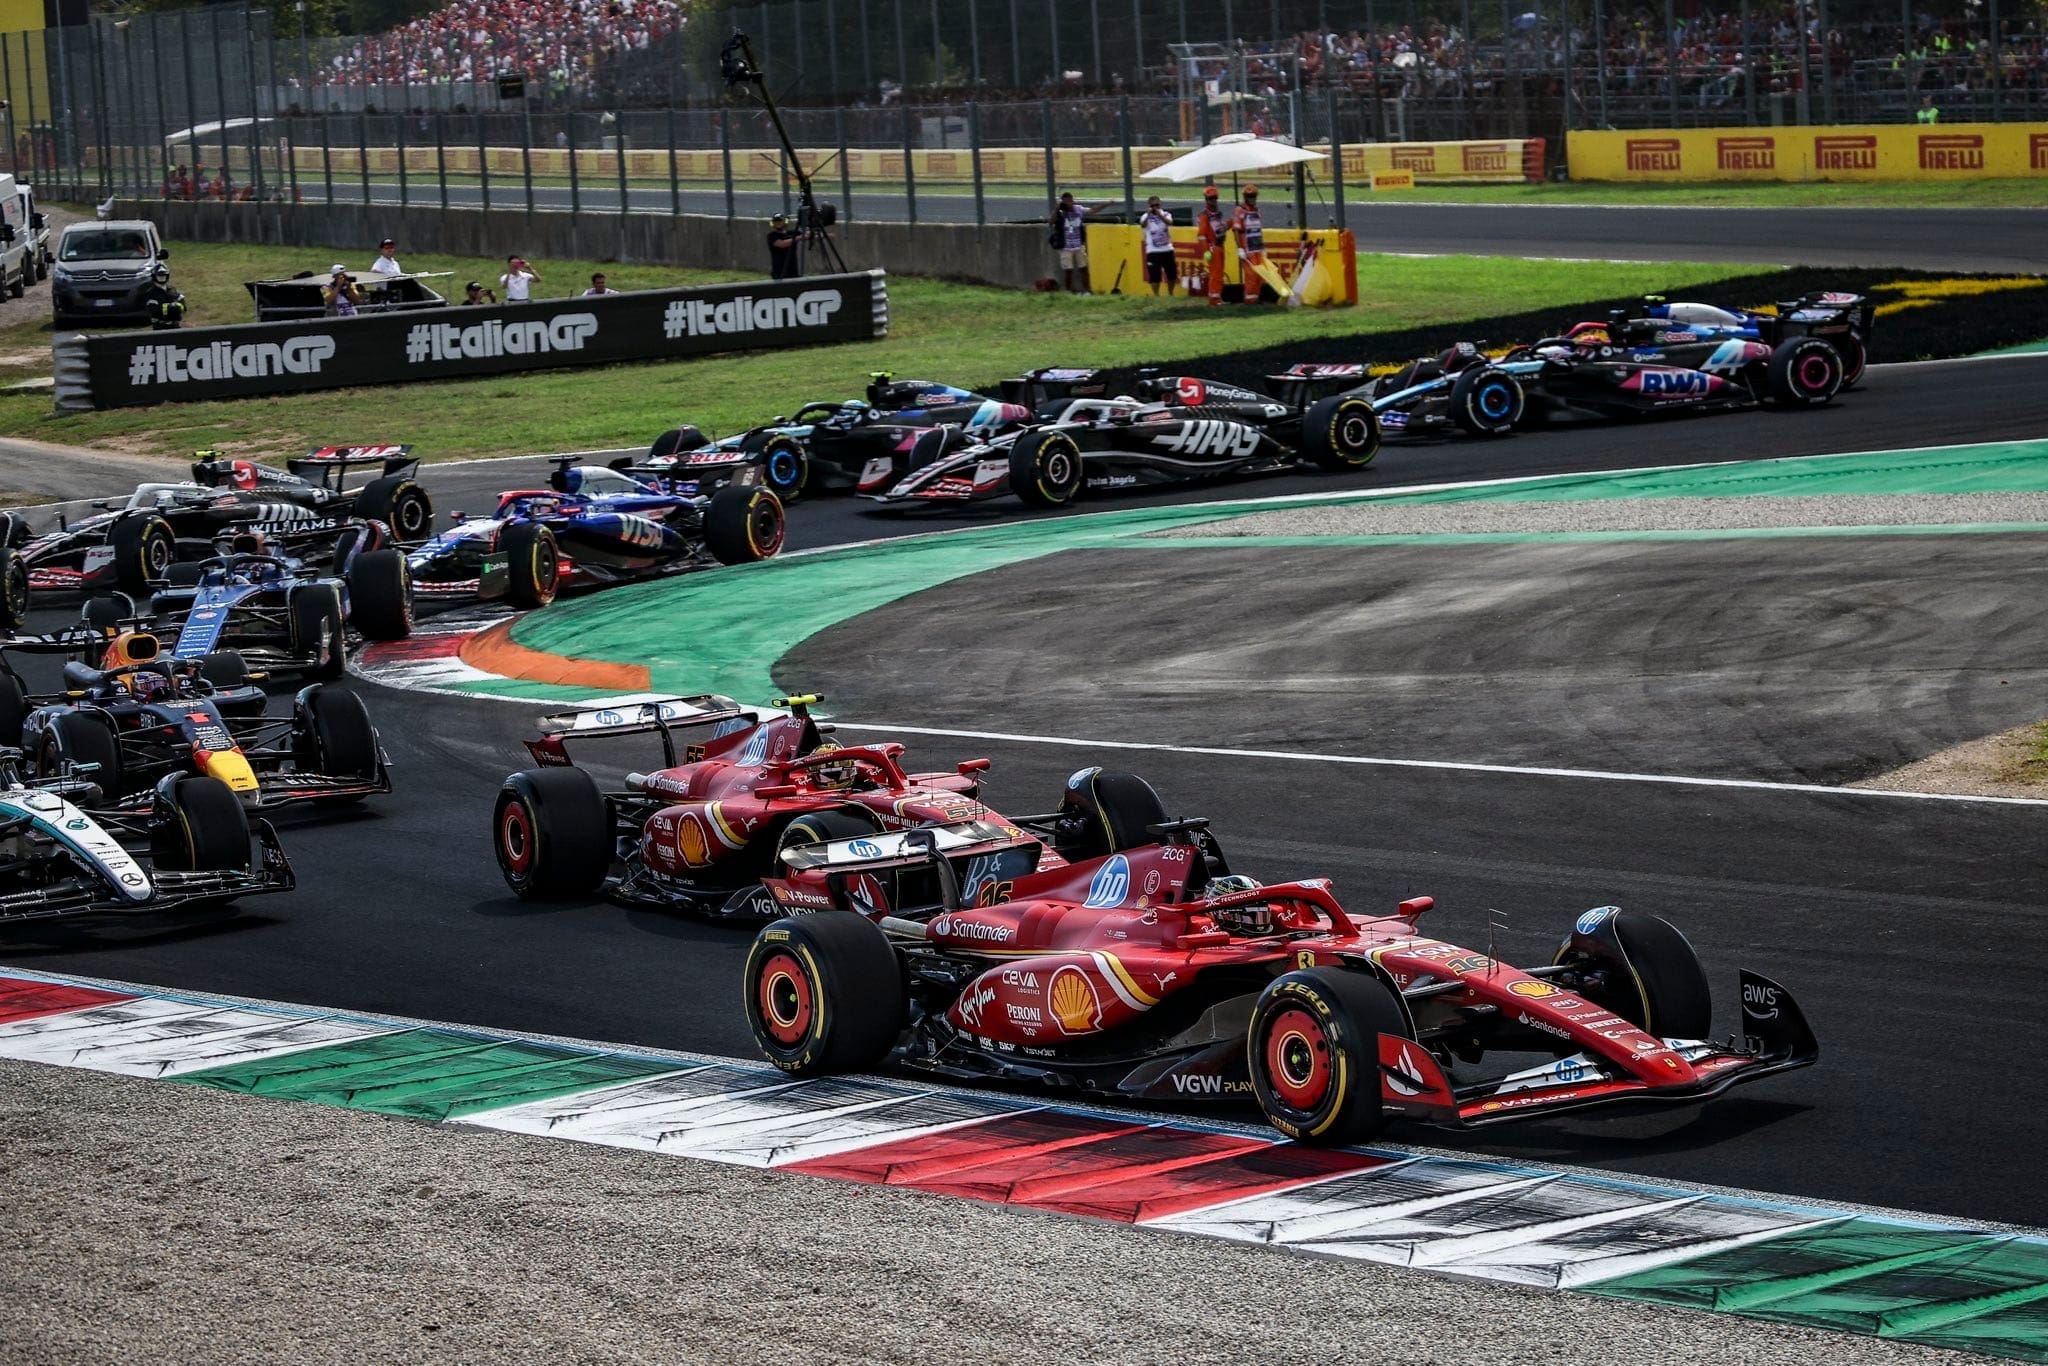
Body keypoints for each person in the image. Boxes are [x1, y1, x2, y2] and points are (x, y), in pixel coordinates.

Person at [1231, 185, 1268, 305]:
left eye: (1253, 196)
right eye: (1249, 196)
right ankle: (1249, 300)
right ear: (1245, 197)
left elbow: (1259, 229)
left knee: (1260, 274)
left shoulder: (1256, 210)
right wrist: (1240, 248)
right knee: (1251, 274)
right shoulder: (1240, 210)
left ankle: (1256, 298)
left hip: (1257, 246)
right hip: (1247, 247)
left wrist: (1263, 247)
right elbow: (1236, 230)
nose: (1252, 198)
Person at [1049, 191, 1091, 294]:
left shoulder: (1078, 209)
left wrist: (1107, 204)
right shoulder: (1060, 213)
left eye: (1070, 201)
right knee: (1068, 270)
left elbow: (1092, 211)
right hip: (1066, 246)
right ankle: (1068, 291)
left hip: (1078, 245)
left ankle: (1087, 291)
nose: (1069, 203)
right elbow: (1051, 222)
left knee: (1084, 268)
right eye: (1066, 201)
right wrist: (1056, 209)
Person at [1194, 185, 1228, 307]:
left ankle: (1217, 297)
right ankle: (1214, 300)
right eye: (1210, 198)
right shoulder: (1204, 215)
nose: (1213, 200)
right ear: (1206, 200)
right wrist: (1206, 251)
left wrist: (1229, 224)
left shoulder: (1217, 213)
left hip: (1220, 245)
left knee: (1219, 273)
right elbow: (1201, 235)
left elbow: (1220, 229)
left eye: (1214, 198)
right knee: (1216, 273)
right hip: (1213, 248)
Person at [1139, 195, 1175, 297]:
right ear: (1149, 206)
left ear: (1160, 205)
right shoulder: (1145, 216)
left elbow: (1170, 222)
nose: (1155, 207)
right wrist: (1149, 214)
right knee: (1155, 275)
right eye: (1153, 205)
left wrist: (1160, 215)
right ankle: (1156, 295)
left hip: (1167, 249)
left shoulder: (1166, 214)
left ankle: (1170, 293)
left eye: (1157, 205)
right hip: (1153, 250)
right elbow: (1142, 225)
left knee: (1171, 274)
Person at [766, 212, 800, 280]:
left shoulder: (793, 233)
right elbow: (782, 244)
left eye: (780, 221)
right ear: (772, 223)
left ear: (785, 222)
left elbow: (809, 235)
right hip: (779, 273)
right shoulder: (772, 236)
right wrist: (799, 237)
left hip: (793, 271)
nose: (778, 223)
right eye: (776, 221)